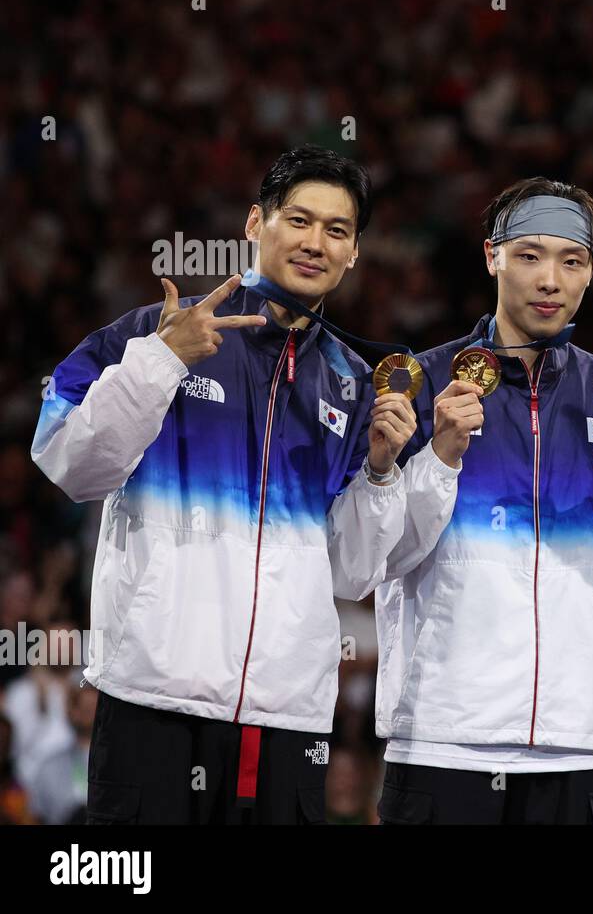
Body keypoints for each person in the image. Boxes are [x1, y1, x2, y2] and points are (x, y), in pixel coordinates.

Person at [31, 145, 417, 823]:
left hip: (287, 716)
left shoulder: (354, 382)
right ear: (253, 224)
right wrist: (160, 364)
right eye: (298, 220)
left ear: (354, 252)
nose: (315, 243)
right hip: (153, 702)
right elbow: (70, 462)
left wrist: (383, 469)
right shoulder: (160, 332)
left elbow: (353, 573)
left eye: (337, 230)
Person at [373, 178, 593, 824]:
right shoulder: (422, 382)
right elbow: (381, 558)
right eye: (531, 255)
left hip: (573, 744)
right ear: (493, 256)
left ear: (592, 272)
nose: (549, 280)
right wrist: (442, 455)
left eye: (571, 261)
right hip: (443, 738)